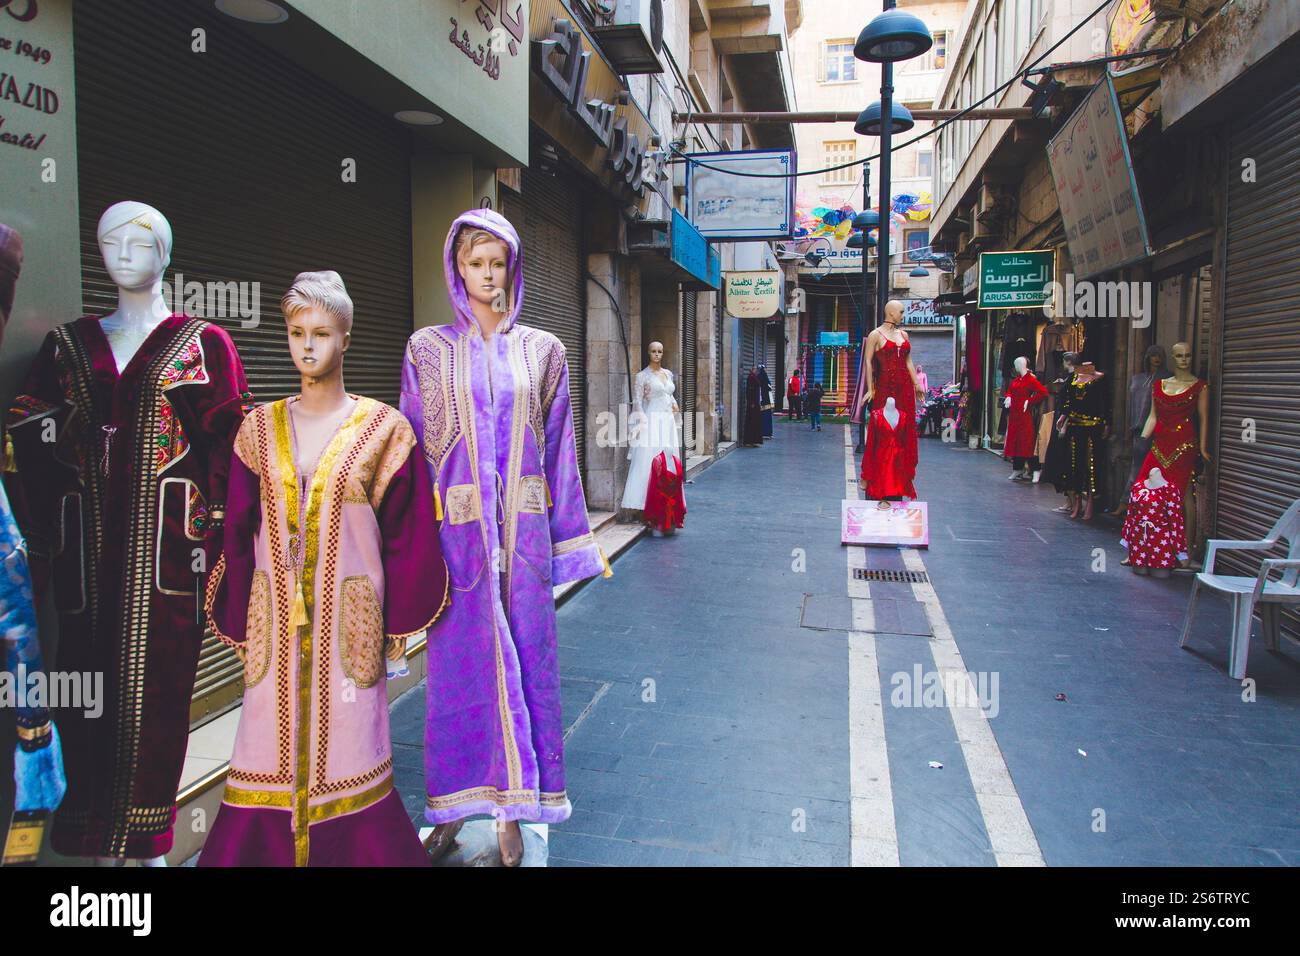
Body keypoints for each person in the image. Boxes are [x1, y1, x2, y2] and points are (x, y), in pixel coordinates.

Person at [200, 272, 444, 867]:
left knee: (353, 749)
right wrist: (243, 614)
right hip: (276, 629)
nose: (308, 346)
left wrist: (394, 628)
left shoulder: (385, 430)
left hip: (348, 629)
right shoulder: (257, 430)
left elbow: (409, 537)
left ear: (347, 337)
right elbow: (233, 526)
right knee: (264, 747)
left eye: (322, 333)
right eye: (295, 333)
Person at [402, 210, 608, 866]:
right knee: (457, 681)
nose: (488, 274)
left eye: (498, 262)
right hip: (455, 545)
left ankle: (517, 809)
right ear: (456, 267)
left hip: (523, 545)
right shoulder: (426, 350)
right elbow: (413, 452)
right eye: (475, 262)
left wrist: (568, 540)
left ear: (512, 266)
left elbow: (560, 453)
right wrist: (410, 549)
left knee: (530, 669)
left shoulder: (543, 350)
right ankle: (454, 810)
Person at [621, 341, 681, 519]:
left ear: (663, 353)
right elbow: (637, 402)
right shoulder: (642, 376)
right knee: (648, 460)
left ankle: (665, 502)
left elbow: (669, 395)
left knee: (668, 458)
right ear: (648, 353)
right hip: (652, 421)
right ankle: (644, 504)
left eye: (660, 351)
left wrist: (675, 405)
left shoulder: (668, 374)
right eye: (653, 351)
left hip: (668, 421)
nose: (657, 354)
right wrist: (641, 421)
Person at [742, 368, 763, 446]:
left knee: (755, 422)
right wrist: (752, 402)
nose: (757, 371)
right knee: (752, 422)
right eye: (755, 370)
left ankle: (754, 440)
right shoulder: (751, 378)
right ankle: (750, 440)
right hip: (753, 404)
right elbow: (750, 391)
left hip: (755, 403)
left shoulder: (754, 377)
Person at [758, 365, 775, 439]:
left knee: (762, 418)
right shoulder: (767, 381)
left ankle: (762, 432)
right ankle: (768, 432)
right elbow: (770, 392)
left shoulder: (759, 379)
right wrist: (772, 404)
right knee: (767, 418)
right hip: (767, 403)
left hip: (762, 402)